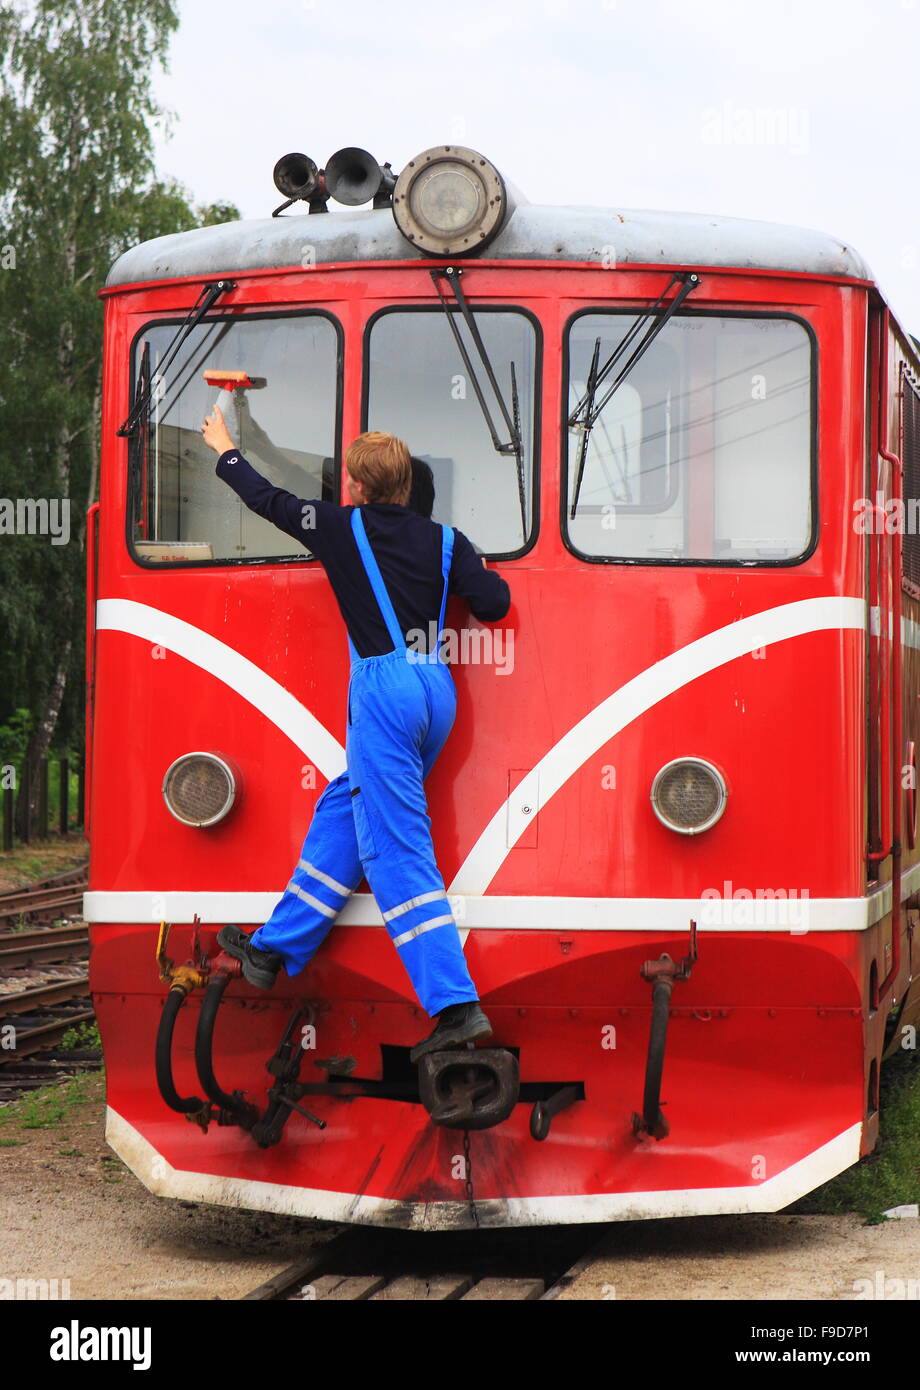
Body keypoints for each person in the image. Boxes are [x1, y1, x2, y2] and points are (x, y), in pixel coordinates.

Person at [200, 410, 511, 1061]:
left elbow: (269, 501)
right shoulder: (449, 541)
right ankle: (272, 950)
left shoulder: (343, 530)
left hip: (386, 691)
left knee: (396, 850)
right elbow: (494, 603)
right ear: (405, 484)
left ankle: (456, 1006)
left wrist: (227, 450)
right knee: (350, 803)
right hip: (437, 689)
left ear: (360, 489)